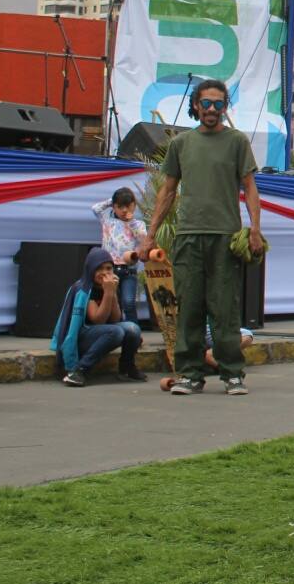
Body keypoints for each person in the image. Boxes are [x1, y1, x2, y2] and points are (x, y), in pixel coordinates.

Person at [141, 80, 264, 397]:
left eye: (218, 104)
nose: (212, 109)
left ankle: (232, 374)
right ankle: (190, 374)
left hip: (224, 237)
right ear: (195, 105)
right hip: (188, 236)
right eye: (206, 103)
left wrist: (254, 229)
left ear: (226, 107)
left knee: (225, 308)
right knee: (190, 307)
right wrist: (150, 235)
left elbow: (250, 187)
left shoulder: (237, 141)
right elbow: (167, 190)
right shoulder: (182, 143)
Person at [51, 247, 146, 387]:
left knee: (133, 328)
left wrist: (112, 293)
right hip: (80, 337)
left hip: (100, 334)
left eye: (108, 268)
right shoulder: (83, 288)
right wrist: (108, 292)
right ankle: (80, 370)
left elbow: (115, 318)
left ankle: (127, 368)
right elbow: (97, 319)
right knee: (116, 331)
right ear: (91, 270)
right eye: (99, 268)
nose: (104, 273)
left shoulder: (109, 285)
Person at [92, 187, 149, 323]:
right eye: (120, 207)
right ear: (114, 206)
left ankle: (134, 334)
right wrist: (112, 200)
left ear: (134, 205)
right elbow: (95, 208)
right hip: (109, 270)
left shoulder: (138, 224)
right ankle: (116, 331)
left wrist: (131, 222)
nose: (124, 211)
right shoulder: (107, 220)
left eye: (128, 206)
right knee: (111, 302)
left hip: (128, 270)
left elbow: (143, 239)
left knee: (128, 303)